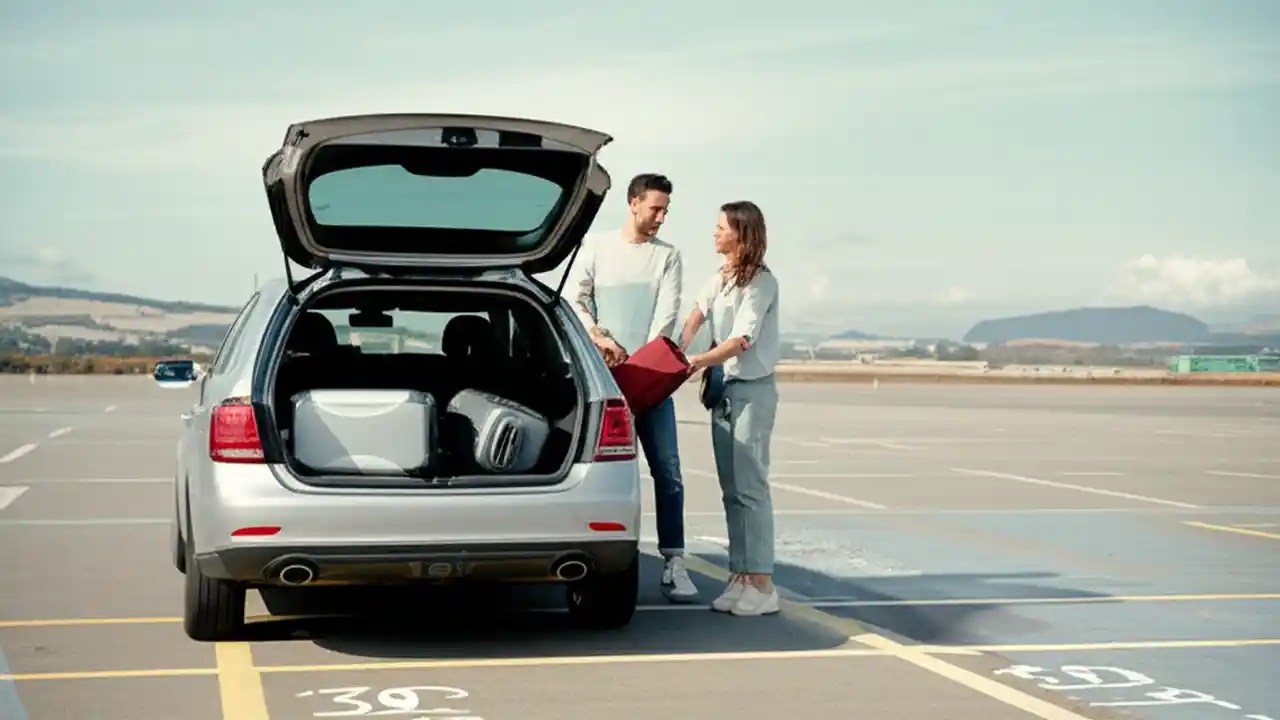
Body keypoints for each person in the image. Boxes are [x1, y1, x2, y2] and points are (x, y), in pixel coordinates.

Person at [567, 172, 699, 602]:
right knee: (601, 473)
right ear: (633, 203)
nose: (661, 217)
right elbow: (576, 298)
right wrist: (600, 337)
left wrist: (640, 367)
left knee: (668, 471)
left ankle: (674, 561)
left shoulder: (668, 256)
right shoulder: (598, 247)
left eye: (665, 211)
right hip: (603, 381)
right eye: (655, 208)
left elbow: (666, 318)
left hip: (649, 381)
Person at [681, 200, 781, 616]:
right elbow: (696, 315)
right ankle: (740, 575)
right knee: (731, 489)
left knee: (751, 488)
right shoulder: (721, 278)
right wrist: (674, 349)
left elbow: (743, 340)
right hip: (724, 390)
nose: (714, 233)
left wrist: (697, 362)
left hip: (751, 391)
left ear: (742, 234)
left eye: (721, 227)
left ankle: (762, 581)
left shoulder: (760, 282)